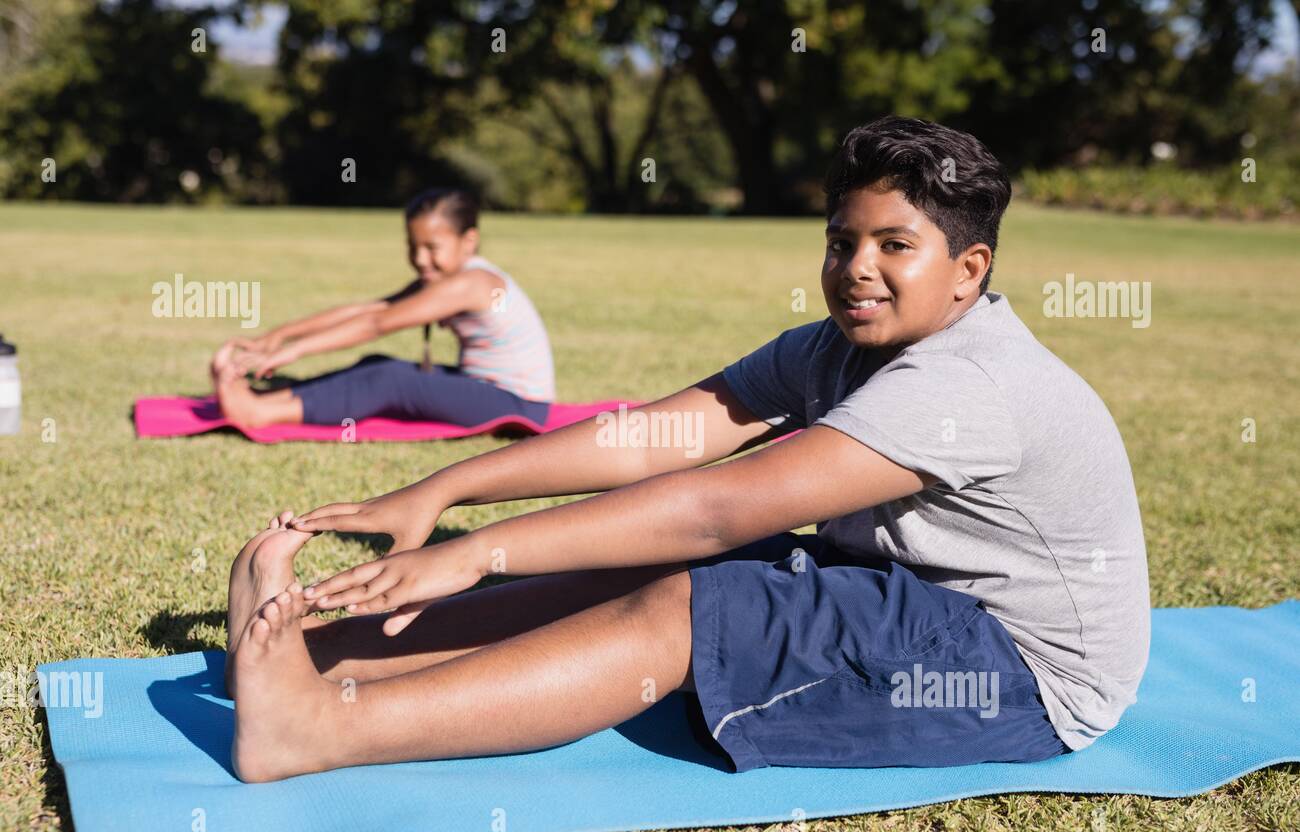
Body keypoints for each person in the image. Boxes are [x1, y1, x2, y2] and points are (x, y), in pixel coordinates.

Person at [221, 117, 1151, 785]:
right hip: (911, 595)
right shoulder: (834, 345)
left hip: (1016, 673)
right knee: (641, 555)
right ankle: (324, 655)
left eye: (894, 245)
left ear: (969, 270)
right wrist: (445, 491)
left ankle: (314, 732)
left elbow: (717, 505)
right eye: (841, 240)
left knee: (690, 599)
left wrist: (474, 555)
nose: (855, 268)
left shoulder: (966, 382)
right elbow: (656, 437)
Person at [210, 187, 555, 429]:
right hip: (484, 387)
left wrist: (294, 351)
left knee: (391, 380)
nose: (420, 259)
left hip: (518, 406)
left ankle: (259, 413)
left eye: (432, 247)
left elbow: (378, 324)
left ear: (469, 241)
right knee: (378, 364)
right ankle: (266, 398)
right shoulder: (448, 277)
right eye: (412, 246)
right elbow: (370, 309)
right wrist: (279, 336)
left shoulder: (472, 283)